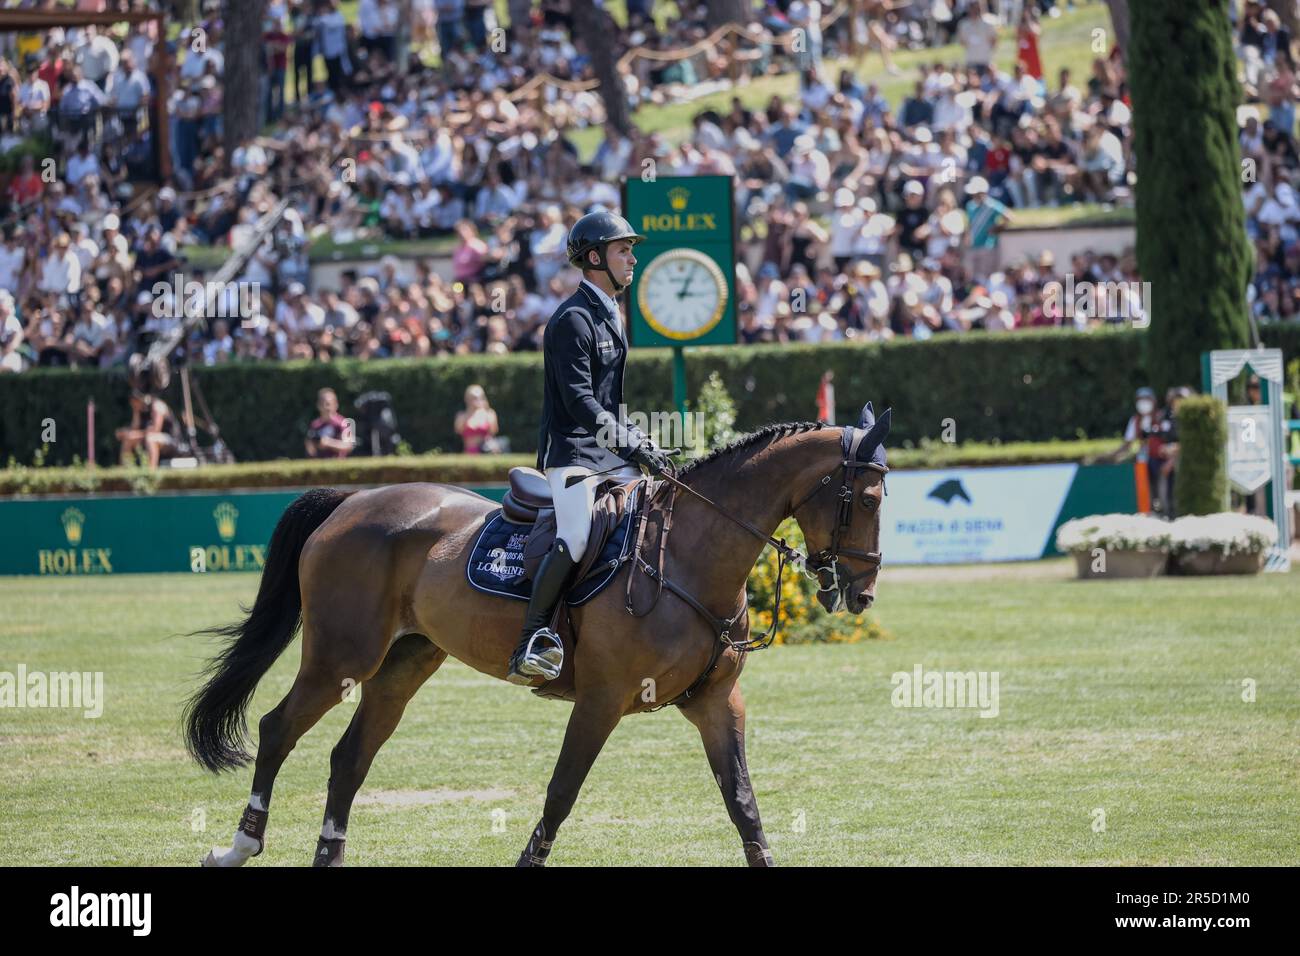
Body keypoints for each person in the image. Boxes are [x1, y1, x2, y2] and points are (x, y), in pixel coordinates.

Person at [506, 210, 671, 685]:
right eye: (624, 251)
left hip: (608, 453)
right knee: (576, 535)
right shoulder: (571, 320)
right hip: (574, 454)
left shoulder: (609, 314)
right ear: (595, 257)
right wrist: (627, 441)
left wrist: (639, 440)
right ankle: (531, 641)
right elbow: (580, 402)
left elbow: (609, 403)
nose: (633, 259)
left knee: (655, 517)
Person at [116, 391, 180, 469]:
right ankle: (125, 472)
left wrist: (134, 434)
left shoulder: (157, 405)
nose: (133, 406)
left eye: (135, 403)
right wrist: (125, 433)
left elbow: (156, 430)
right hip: (148, 437)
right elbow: (134, 429)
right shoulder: (139, 410)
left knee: (150, 439)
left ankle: (150, 472)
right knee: (128, 440)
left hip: (170, 440)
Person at [305, 386, 354, 458]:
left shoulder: (344, 423)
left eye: (328, 404)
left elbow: (349, 446)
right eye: (322, 404)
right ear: (318, 405)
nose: (326, 407)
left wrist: (329, 443)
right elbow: (311, 447)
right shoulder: (315, 424)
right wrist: (310, 446)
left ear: (336, 405)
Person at [454, 383, 498, 453]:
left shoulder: (489, 413)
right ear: (467, 399)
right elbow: (458, 430)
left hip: (486, 450)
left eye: (479, 397)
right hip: (469, 451)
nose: (476, 400)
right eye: (473, 398)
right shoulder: (462, 415)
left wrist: (484, 410)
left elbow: (493, 431)